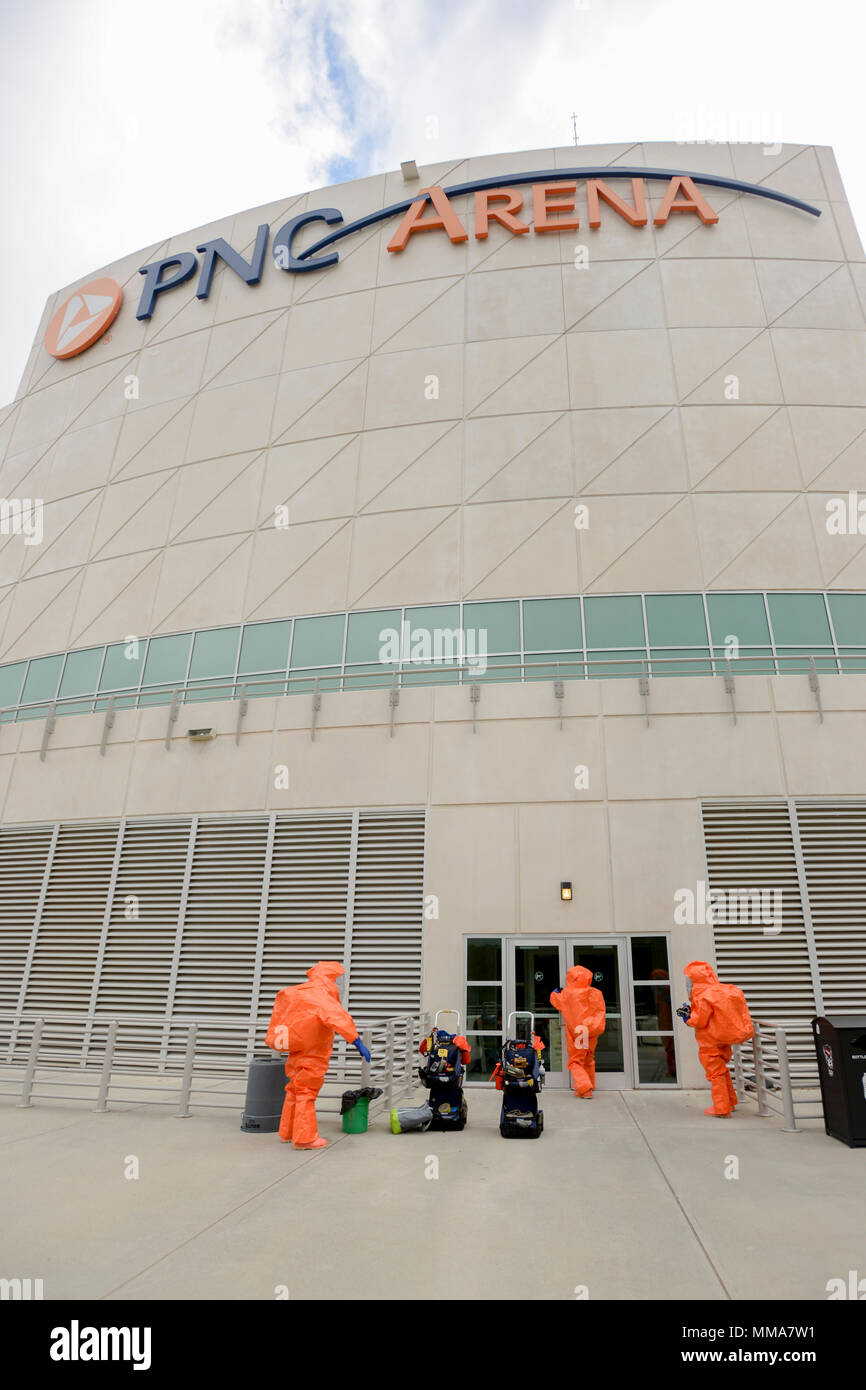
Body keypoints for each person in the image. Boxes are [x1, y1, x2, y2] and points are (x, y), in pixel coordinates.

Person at [266, 961, 371, 1150]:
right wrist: (357, 1041)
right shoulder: (321, 996)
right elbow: (339, 1019)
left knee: (293, 1090)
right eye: (337, 979)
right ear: (329, 978)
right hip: (313, 1053)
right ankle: (305, 1139)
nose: (340, 984)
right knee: (306, 1093)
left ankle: (287, 1133)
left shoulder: (299, 992)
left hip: (296, 1051)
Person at [679, 960, 754, 1118]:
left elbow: (699, 1021)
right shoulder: (724, 991)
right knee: (722, 1071)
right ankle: (730, 1102)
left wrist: (687, 1017)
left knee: (715, 1074)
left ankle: (721, 1108)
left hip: (709, 1041)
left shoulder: (702, 996)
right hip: (724, 1039)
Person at [550, 965, 606, 1099]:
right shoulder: (596, 992)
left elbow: (556, 1001)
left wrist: (554, 992)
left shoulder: (568, 994)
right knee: (588, 1058)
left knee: (575, 1061)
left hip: (579, 1031)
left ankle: (585, 1088)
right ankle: (589, 1083)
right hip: (593, 1030)